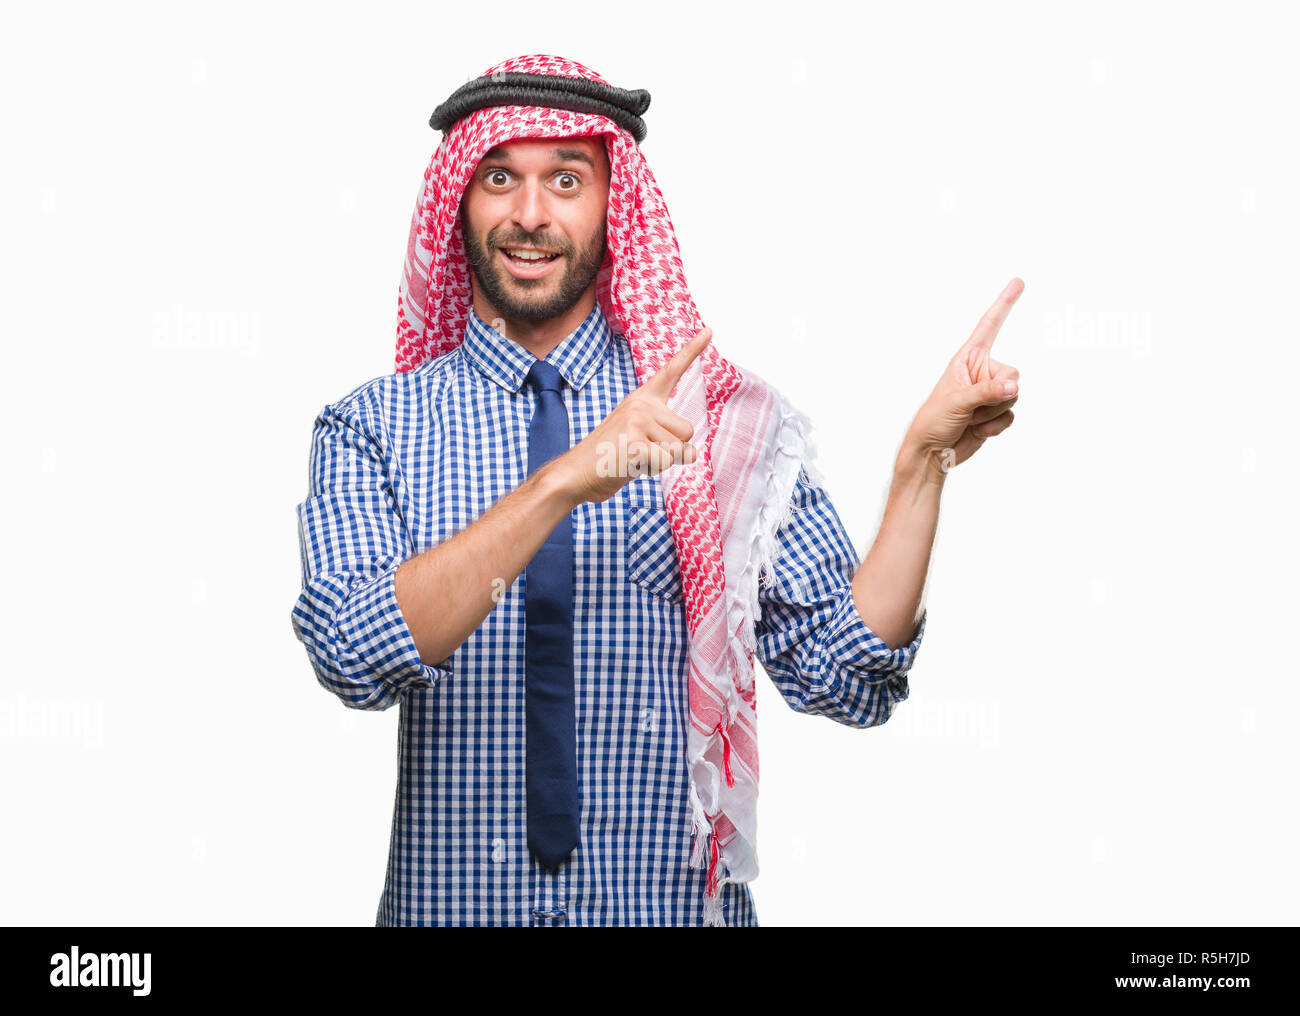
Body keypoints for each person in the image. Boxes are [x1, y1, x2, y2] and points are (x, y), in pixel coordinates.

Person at [290, 54, 1023, 927]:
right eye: (499, 179)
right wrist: (565, 480)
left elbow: (844, 674)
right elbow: (351, 653)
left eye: (567, 179)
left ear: (614, 204)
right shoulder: (372, 427)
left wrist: (920, 469)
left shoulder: (717, 418)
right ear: (460, 198)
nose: (530, 215)